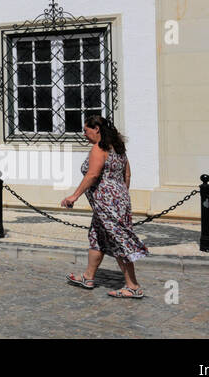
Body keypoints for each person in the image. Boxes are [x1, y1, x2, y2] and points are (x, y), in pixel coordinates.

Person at [62, 115, 148, 298]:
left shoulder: (99, 148)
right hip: (119, 199)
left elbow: (92, 175)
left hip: (106, 202)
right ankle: (88, 277)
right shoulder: (117, 148)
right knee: (97, 236)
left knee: (118, 240)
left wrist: (74, 196)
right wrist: (121, 195)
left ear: (97, 129)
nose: (84, 134)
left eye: (86, 130)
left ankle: (133, 286)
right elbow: (128, 175)